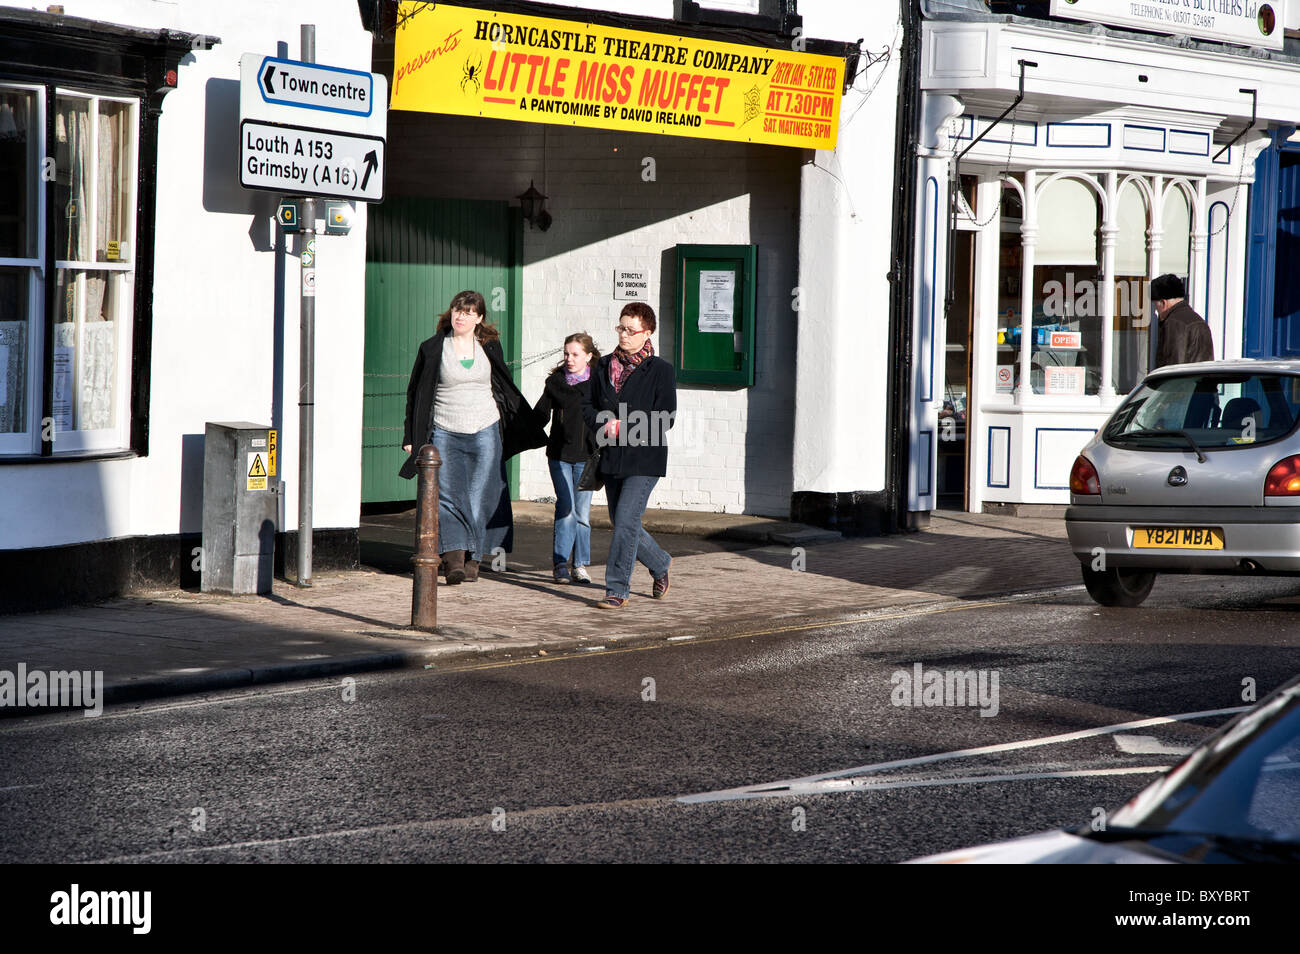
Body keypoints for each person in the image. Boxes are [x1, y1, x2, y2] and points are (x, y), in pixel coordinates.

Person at [400, 290, 546, 584]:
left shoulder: (489, 346)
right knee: (448, 496)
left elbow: (503, 385)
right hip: (445, 429)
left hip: (485, 429)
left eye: (468, 312)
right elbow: (415, 393)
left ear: (479, 318)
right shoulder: (432, 348)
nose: (461, 316)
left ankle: (474, 558)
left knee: (482, 496)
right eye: (457, 309)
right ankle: (454, 558)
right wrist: (410, 436)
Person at [582, 302, 676, 609]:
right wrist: (602, 423)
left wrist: (627, 424)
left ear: (647, 332)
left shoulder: (661, 370)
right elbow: (587, 407)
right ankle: (660, 563)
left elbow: (667, 416)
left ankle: (616, 589)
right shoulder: (602, 366)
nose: (623, 334)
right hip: (611, 457)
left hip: (644, 458)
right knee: (621, 521)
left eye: (630, 330)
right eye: (620, 327)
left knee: (624, 520)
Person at [533, 333, 600, 584]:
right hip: (559, 456)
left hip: (587, 458)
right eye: (566, 354)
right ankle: (560, 563)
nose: (569, 359)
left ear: (589, 356)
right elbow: (539, 415)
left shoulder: (597, 384)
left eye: (575, 354)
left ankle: (580, 565)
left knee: (582, 513)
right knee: (566, 508)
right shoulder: (555, 383)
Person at [1152, 273, 1214, 368]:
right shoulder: (1199, 321)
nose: (1156, 311)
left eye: (1156, 306)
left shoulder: (1174, 323)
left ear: (1163, 303)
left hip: (1183, 382)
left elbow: (1173, 368)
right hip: (1200, 382)